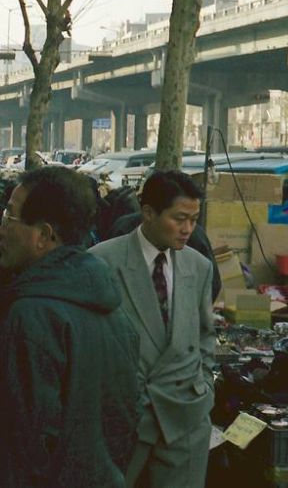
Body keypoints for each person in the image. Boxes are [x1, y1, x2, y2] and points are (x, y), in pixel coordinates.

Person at [0, 166, 140, 488]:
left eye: (9, 217)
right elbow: (123, 425)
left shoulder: (30, 316)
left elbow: (19, 447)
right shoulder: (113, 309)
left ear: (43, 235)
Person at [88, 170, 215, 488]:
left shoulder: (198, 267)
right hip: (123, 419)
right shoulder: (101, 261)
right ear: (148, 213)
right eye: (179, 218)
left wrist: (204, 388)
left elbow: (204, 335)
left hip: (184, 418)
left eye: (194, 219)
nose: (188, 229)